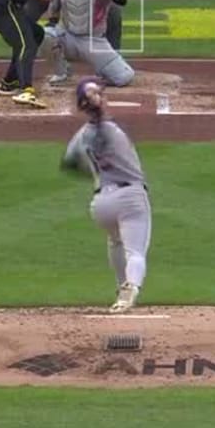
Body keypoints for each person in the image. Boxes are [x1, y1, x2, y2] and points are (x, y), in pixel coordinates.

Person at [61, 78, 152, 314]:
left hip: (101, 203)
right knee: (135, 252)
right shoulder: (113, 130)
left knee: (115, 242)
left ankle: (121, 288)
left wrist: (94, 172)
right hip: (130, 196)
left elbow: (69, 162)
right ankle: (130, 288)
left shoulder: (83, 135)